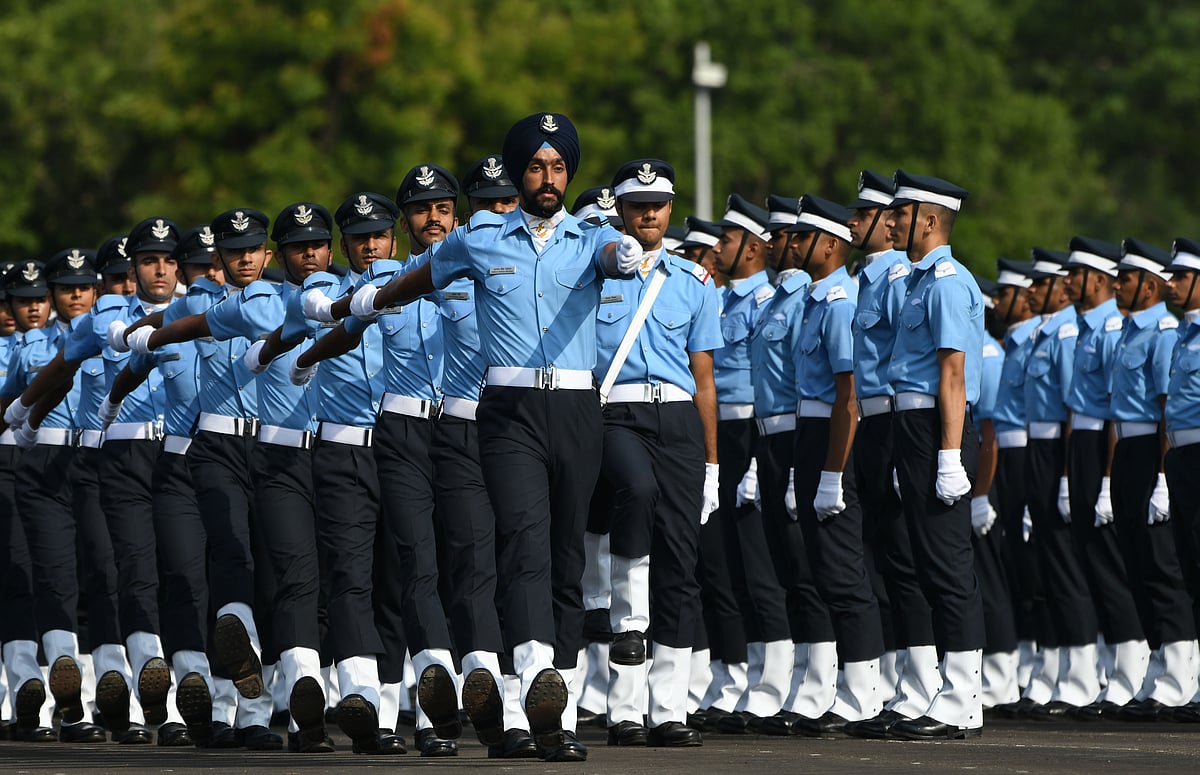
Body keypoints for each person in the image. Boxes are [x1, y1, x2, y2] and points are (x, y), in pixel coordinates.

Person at [336, 112, 642, 762]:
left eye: (559, 166)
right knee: (525, 541)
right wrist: (375, 300)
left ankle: (553, 698)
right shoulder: (482, 238)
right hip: (507, 410)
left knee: (565, 555)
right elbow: (427, 273)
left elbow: (617, 258)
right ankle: (533, 679)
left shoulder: (591, 239)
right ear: (518, 171)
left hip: (577, 406)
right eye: (536, 166)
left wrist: (628, 252)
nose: (548, 177)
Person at [593, 159, 720, 748]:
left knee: (680, 557)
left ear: (670, 209)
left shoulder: (694, 281)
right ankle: (624, 705)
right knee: (636, 493)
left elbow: (704, 377)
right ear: (619, 208)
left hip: (678, 418)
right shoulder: (594, 273)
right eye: (637, 203)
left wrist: (713, 463)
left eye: (659, 203)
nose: (649, 212)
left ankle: (669, 709)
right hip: (616, 411)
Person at [883, 171, 986, 740]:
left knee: (948, 565)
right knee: (929, 562)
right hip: (915, 424)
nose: (893, 221)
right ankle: (948, 691)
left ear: (928, 218)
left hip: (936, 425)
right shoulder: (919, 281)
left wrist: (950, 455)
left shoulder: (946, 281)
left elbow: (952, 373)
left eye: (901, 213)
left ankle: (964, 697)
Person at [777, 194, 884, 734]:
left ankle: (863, 693)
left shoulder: (840, 302)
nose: (793, 245)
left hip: (829, 436)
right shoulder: (816, 301)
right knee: (820, 570)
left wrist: (833, 473)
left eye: (803, 238)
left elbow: (848, 398)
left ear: (833, 244)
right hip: (808, 431)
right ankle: (839, 687)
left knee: (843, 571)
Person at [1, 250, 109, 743]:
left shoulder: (114, 333)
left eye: (83, 287)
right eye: (65, 289)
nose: (74, 296)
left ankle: (91, 696)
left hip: (93, 462)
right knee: (41, 576)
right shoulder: (31, 348)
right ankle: (37, 690)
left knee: (102, 572)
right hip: (36, 462)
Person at [700, 195, 786, 733]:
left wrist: (757, 457)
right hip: (720, 432)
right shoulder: (724, 301)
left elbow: (768, 384)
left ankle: (774, 681)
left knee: (759, 567)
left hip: (753, 431)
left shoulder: (766, 302)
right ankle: (734, 678)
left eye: (727, 240)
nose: (718, 248)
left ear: (753, 249)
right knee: (722, 566)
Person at [1106, 239, 1196, 720]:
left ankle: (1181, 676)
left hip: (1157, 451)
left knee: (1164, 565)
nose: (1117, 284)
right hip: (1129, 449)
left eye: (1126, 277)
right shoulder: (1134, 331)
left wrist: (1162, 476)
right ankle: (1160, 669)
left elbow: (1167, 412)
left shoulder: (1165, 332)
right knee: (1139, 563)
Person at [1060, 236, 1147, 718]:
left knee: (1114, 564)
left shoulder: (1114, 328)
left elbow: (1120, 412)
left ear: (1097, 279)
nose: (1070, 283)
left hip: (1106, 447)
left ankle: (1131, 673)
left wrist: (1110, 481)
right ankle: (1114, 671)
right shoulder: (1085, 327)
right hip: (1082, 445)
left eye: (1077, 275)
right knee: (1091, 560)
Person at [1021, 247, 1102, 717]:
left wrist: (1069, 473)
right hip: (1037, 448)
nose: (1034, 291)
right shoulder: (1045, 333)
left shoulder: (1068, 334)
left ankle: (1082, 675)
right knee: (1048, 563)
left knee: (1068, 563)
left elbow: (1076, 409)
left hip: (1059, 451)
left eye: (1041, 283)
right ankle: (1054, 672)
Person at [1163, 238, 1200, 721]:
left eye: (1180, 277)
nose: (1169, 284)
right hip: (1183, 456)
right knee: (1192, 567)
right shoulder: (1182, 335)